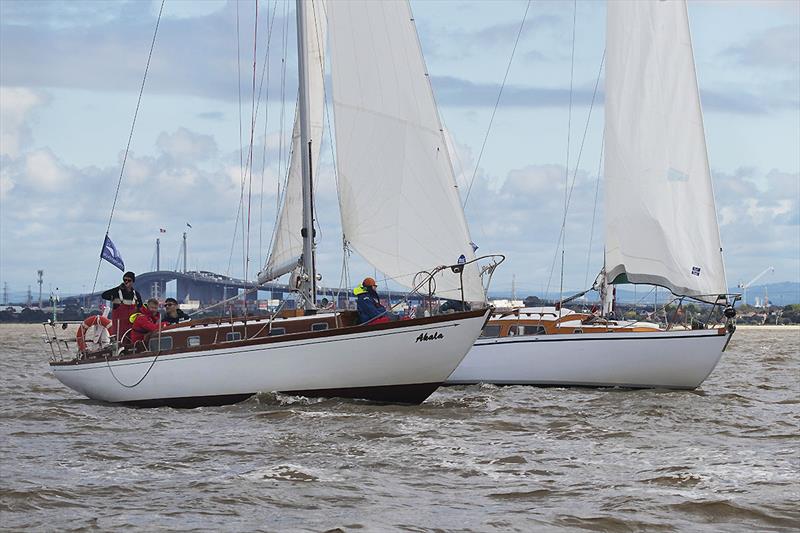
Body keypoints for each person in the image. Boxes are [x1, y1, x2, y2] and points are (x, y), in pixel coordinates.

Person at [101, 271, 143, 339]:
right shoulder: (117, 292)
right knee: (118, 340)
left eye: (129, 280)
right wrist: (117, 288)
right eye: (124, 280)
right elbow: (104, 295)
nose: (126, 282)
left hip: (131, 327)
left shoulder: (136, 294)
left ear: (133, 282)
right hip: (118, 327)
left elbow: (141, 308)